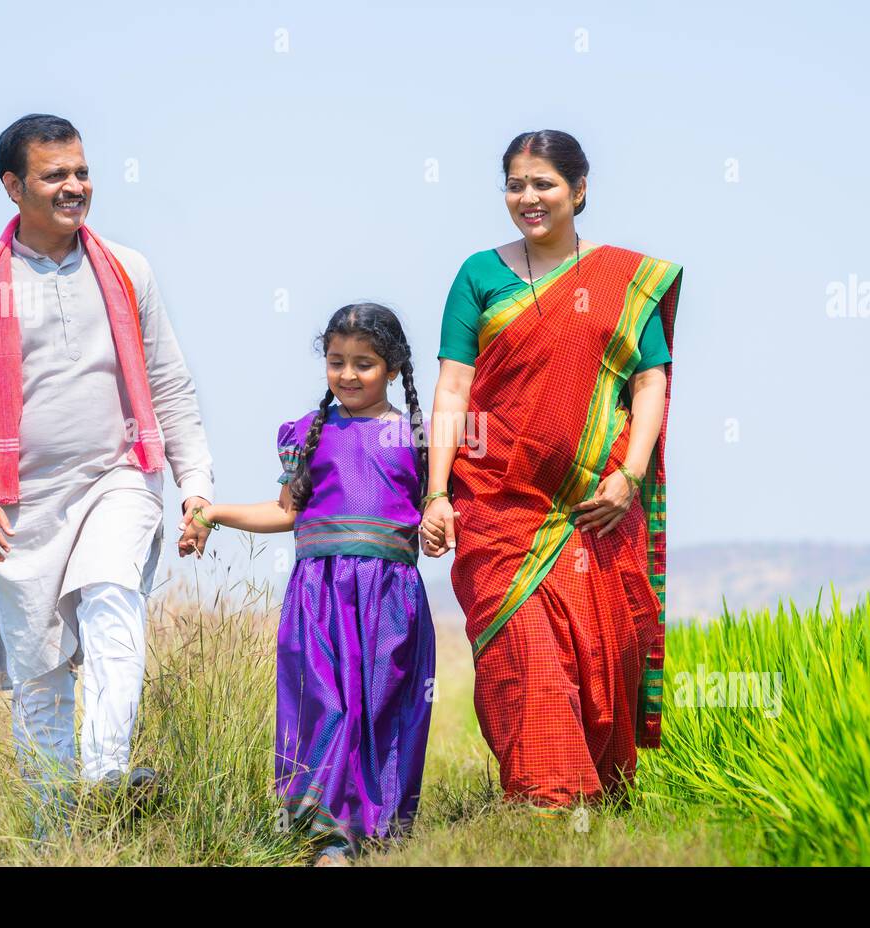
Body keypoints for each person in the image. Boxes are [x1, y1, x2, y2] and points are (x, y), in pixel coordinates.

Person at [0, 113, 216, 838]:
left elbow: (170, 384)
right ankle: (60, 829)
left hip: (118, 476)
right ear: (13, 186)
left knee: (111, 594)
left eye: (81, 171)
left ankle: (106, 773)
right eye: (55, 174)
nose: (75, 186)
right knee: (39, 675)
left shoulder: (127, 268)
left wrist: (195, 485)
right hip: (20, 504)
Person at [421, 129, 683, 814]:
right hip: (496, 505)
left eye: (543, 184)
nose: (528, 198)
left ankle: (595, 798)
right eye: (516, 184)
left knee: (603, 653)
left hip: (595, 506)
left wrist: (629, 475)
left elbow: (649, 381)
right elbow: (452, 389)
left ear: (579, 190)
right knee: (523, 650)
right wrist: (438, 492)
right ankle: (546, 800)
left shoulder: (622, 281)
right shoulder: (480, 274)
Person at [189, 303, 436, 866]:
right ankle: (326, 836)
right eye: (336, 361)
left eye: (365, 364)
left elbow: (437, 513)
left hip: (389, 599)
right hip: (318, 597)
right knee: (325, 707)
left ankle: (379, 830)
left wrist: (442, 526)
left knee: (382, 710)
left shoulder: (417, 438)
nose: (348, 375)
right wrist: (214, 513)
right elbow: (286, 515)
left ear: (393, 368)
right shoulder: (308, 434)